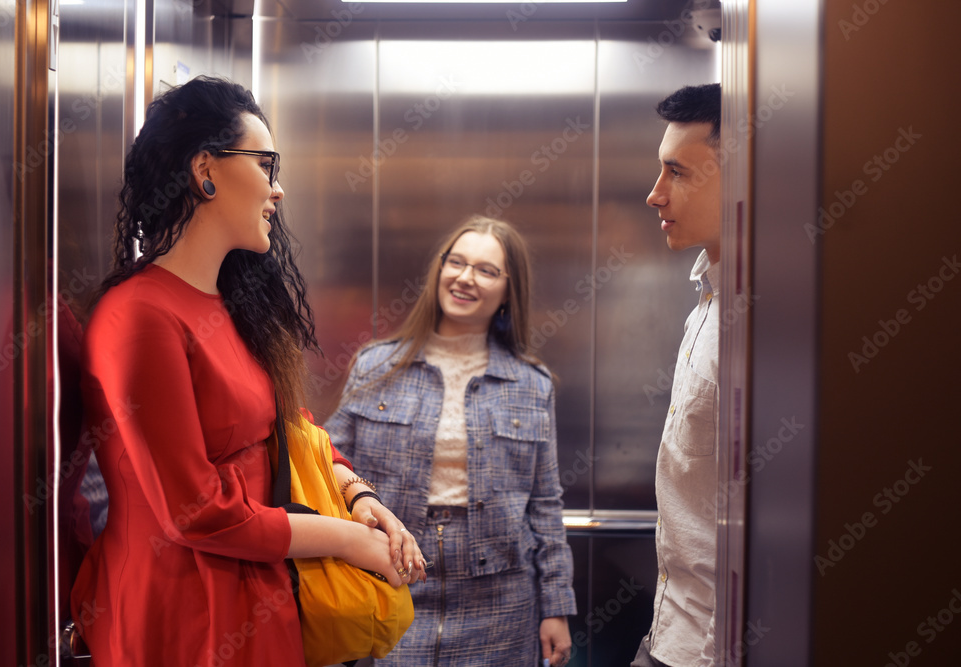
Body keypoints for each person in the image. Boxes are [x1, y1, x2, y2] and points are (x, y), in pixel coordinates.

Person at [70, 75, 424, 667]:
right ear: (205, 169)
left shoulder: (229, 305)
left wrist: (355, 493)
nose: (277, 189)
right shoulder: (138, 316)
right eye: (265, 164)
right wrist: (347, 540)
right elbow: (195, 511)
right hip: (184, 611)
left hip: (255, 591)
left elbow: (289, 428)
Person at [325, 215, 577, 667]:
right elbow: (328, 463)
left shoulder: (531, 384)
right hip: (395, 582)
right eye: (456, 263)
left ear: (508, 290)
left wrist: (556, 605)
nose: (465, 277)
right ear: (439, 271)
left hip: (502, 602)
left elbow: (545, 506)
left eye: (486, 270)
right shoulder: (376, 365)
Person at [631, 83, 722, 667]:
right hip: (671, 628)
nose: (654, 195)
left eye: (677, 173)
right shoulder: (707, 300)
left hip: (709, 646)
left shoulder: (766, 322)